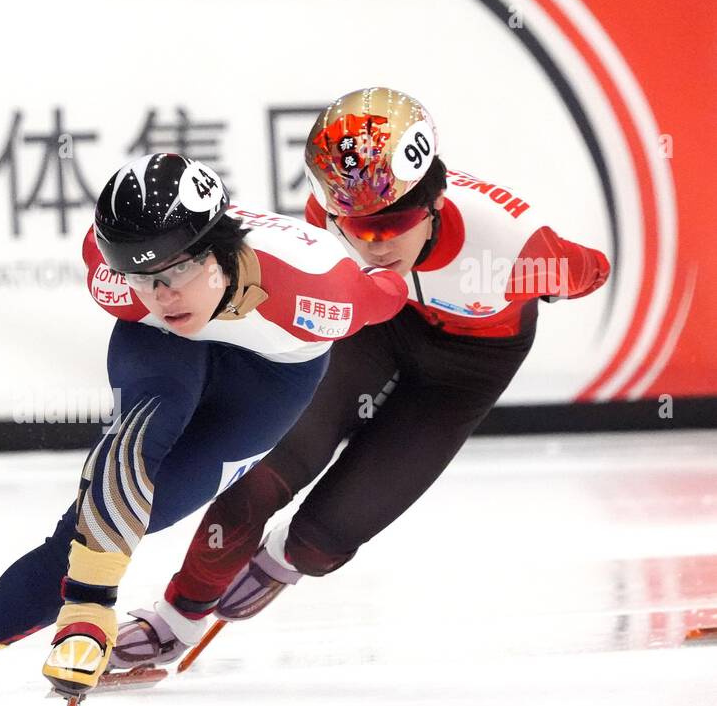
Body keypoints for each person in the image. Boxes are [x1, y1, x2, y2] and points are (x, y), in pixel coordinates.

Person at [0, 152, 409, 706]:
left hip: (268, 381)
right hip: (167, 348)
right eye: (145, 277)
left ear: (219, 249)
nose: (163, 294)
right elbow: (151, 293)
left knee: (140, 514)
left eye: (178, 271)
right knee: (118, 473)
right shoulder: (117, 280)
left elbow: (393, 282)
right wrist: (90, 593)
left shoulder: (328, 291)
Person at [108, 88, 611, 670]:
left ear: (435, 202)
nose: (373, 243)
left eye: (392, 223)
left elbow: (593, 269)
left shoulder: (514, 249)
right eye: (353, 226)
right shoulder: (330, 214)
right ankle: (175, 621)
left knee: (321, 543)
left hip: (468, 367)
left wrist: (554, 279)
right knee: (259, 479)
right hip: (375, 326)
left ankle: (284, 558)